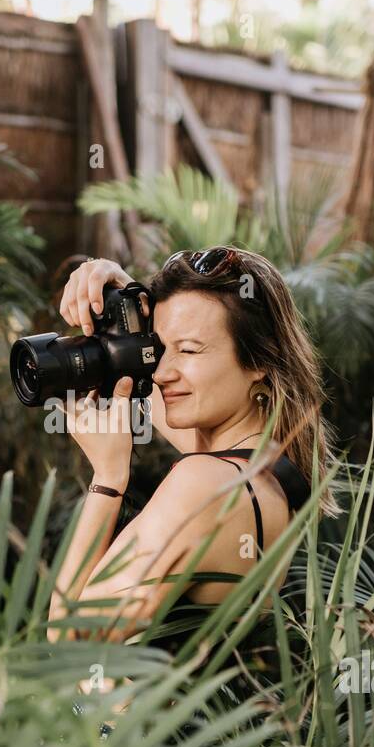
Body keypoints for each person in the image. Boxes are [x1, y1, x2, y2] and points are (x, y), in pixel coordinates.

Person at [45, 247, 339, 696]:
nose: (162, 371)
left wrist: (107, 478)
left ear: (258, 361)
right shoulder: (270, 469)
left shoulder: (203, 485)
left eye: (189, 349)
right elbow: (154, 393)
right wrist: (125, 299)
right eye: (159, 349)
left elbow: (71, 644)